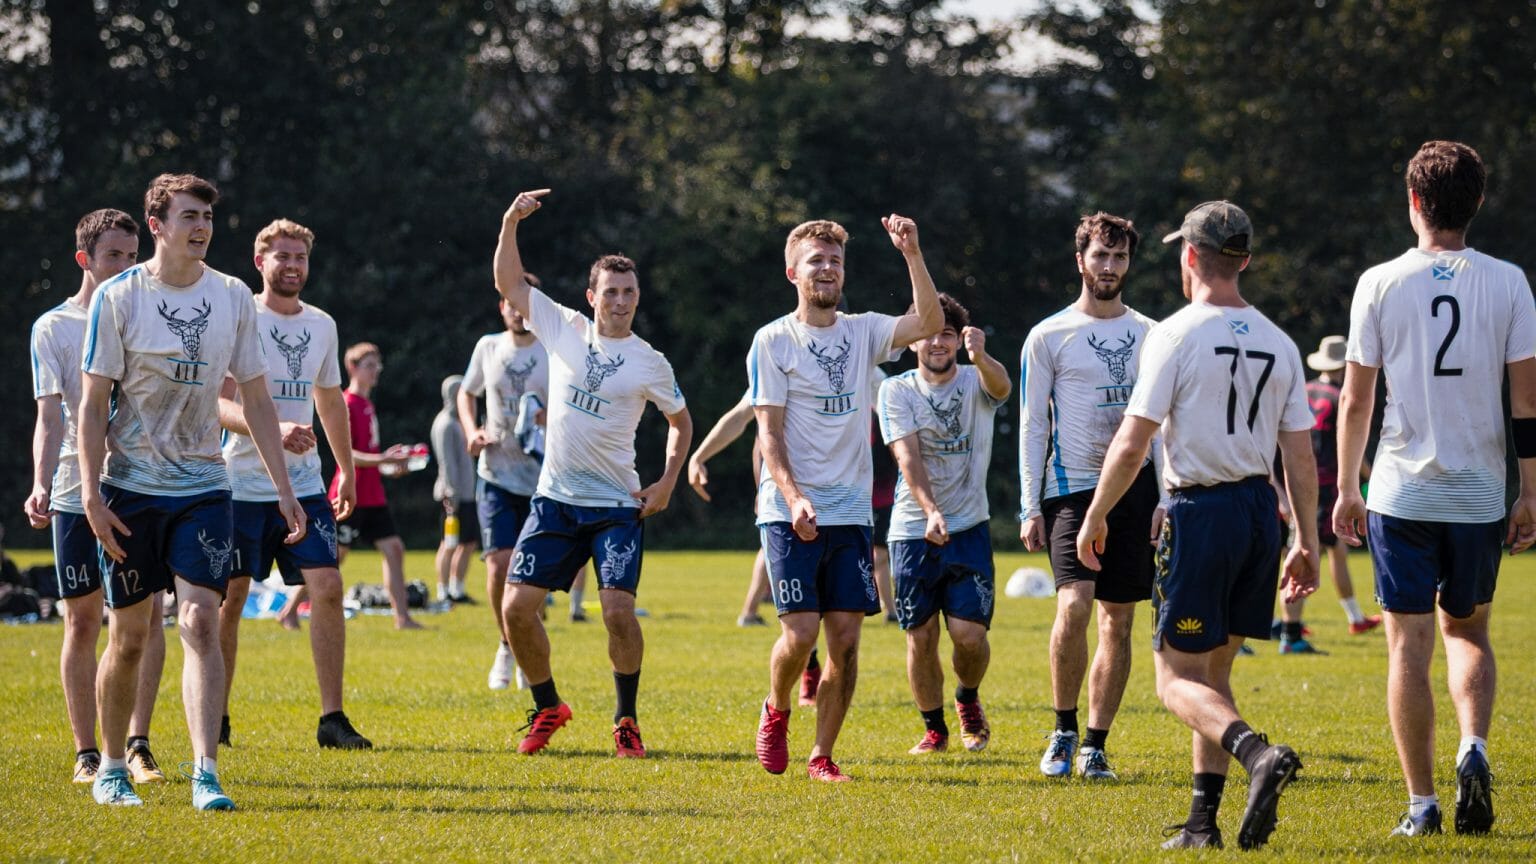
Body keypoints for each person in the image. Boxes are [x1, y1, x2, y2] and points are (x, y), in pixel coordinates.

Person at [1076, 200, 1317, 850]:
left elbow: (1132, 443)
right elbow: (1298, 452)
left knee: (1175, 679)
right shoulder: (1278, 340)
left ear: (1189, 256)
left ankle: (1256, 753)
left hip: (1200, 513)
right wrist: (1306, 542)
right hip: (1258, 518)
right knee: (1213, 673)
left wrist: (1095, 514)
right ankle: (1203, 822)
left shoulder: (1176, 332)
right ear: (1245, 259)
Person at [78, 173, 307, 810]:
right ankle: (112, 767)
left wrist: (284, 490)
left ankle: (206, 773)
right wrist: (90, 495)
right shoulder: (121, 296)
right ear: (157, 225)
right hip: (128, 489)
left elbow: (255, 396)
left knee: (201, 622)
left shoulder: (233, 296)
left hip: (206, 486)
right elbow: (94, 404)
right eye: (187, 216)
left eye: (206, 215)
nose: (201, 226)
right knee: (127, 637)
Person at [1334, 140, 1536, 837]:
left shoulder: (1379, 282)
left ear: (1415, 202)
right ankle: (1473, 747)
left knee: (1408, 646)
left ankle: (1421, 805)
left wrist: (1346, 489)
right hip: (1480, 492)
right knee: (1470, 631)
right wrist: (1528, 491)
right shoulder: (1510, 282)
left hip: (1401, 493)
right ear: (1476, 202)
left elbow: (1357, 401)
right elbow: (1527, 404)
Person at [492, 188, 693, 758]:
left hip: (615, 505)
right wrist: (511, 221)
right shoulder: (563, 328)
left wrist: (667, 480)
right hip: (554, 500)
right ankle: (548, 705)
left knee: (617, 613)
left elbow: (681, 422)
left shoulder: (651, 361)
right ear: (592, 296)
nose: (621, 301)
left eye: (630, 292)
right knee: (514, 610)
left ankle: (626, 719)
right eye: (612, 291)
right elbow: (509, 283)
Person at [751, 215, 942, 782]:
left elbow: (929, 321)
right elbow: (770, 433)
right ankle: (778, 708)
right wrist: (793, 497)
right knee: (800, 633)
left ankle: (821, 756)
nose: (827, 268)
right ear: (793, 272)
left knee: (848, 642)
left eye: (835, 260)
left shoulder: (862, 331)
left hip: (852, 512)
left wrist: (912, 253)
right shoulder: (773, 340)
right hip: (790, 510)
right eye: (816, 260)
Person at [1019, 212, 1165, 780]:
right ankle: (1062, 727)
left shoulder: (1153, 333)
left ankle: (1096, 743)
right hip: (1071, 487)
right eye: (1100, 256)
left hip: (1137, 490)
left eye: (1119, 257)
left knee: (1119, 620)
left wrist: (1166, 495)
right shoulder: (1048, 334)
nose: (1109, 267)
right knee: (1074, 604)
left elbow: (1167, 423)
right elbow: (1034, 425)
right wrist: (1030, 504)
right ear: (1080, 261)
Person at [217, 218, 372, 751]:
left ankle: (332, 719)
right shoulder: (240, 318)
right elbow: (217, 401)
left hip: (306, 488)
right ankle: (214, 712)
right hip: (238, 484)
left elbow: (329, 399)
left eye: (299, 257)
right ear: (260, 262)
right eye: (281, 256)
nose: (291, 266)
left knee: (327, 588)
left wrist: (346, 467)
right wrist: (272, 429)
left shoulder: (323, 325)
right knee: (230, 598)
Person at [25, 208, 167, 785]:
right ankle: (87, 754)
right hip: (73, 489)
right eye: (114, 256)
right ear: (84, 259)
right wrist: (40, 482)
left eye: (134, 256)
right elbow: (49, 416)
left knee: (147, 620)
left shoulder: (151, 313)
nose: (127, 267)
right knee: (83, 622)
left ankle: (137, 745)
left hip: (138, 483)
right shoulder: (53, 327)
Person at [878, 293, 1010, 755]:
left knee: (970, 637)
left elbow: (1004, 388)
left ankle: (968, 698)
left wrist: (982, 354)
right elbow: (908, 457)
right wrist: (931, 510)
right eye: (930, 333)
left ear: (958, 340)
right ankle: (934, 729)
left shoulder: (977, 379)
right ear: (914, 341)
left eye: (947, 334)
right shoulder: (896, 390)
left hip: (970, 528)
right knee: (921, 636)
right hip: (913, 530)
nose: (938, 342)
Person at [458, 284, 592, 695]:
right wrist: (472, 430)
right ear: (502, 308)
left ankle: (525, 645)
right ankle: (506, 644)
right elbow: (467, 392)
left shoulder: (555, 350)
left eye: (526, 307)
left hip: (545, 478)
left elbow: (580, 401)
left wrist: (549, 422)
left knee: (531, 575)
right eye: (512, 306)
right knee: (498, 565)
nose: (519, 314)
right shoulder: (488, 347)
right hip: (497, 473)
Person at [331, 342, 421, 630]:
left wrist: (389, 465)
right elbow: (346, 454)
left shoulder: (368, 405)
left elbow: (368, 453)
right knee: (332, 559)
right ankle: (291, 610)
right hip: (350, 494)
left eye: (377, 365)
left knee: (394, 549)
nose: (376, 371)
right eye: (370, 365)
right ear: (352, 368)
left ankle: (402, 618)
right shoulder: (345, 404)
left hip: (373, 495)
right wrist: (382, 458)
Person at [687, 391, 772, 627]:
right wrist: (699, 457)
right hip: (785, 489)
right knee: (773, 544)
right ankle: (750, 611)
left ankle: (751, 610)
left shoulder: (858, 359)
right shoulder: (772, 358)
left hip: (841, 488)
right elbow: (740, 417)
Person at [431, 374, 480, 604]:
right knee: (449, 543)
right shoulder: (445, 423)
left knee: (467, 542)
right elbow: (447, 462)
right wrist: (451, 492)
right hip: (454, 494)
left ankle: (457, 588)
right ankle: (443, 590)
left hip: (467, 492)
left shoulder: (461, 422)